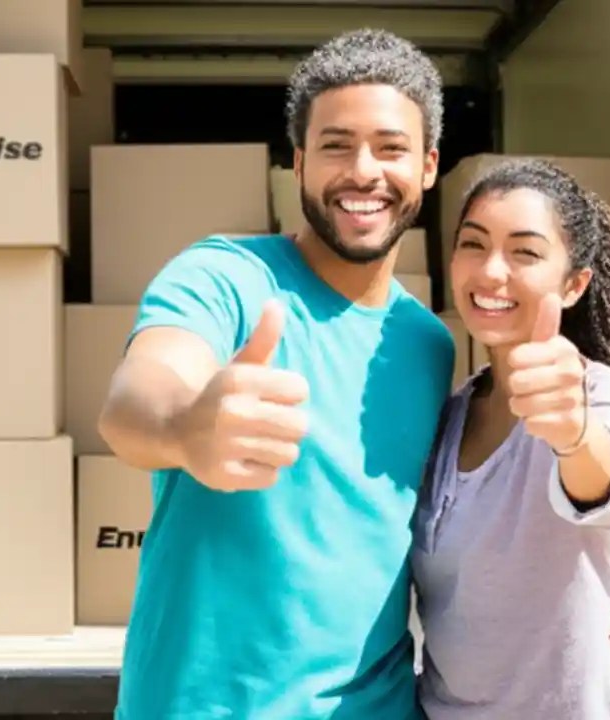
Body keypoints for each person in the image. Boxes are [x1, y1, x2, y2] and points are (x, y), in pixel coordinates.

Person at [97, 29, 456, 719]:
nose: (363, 170)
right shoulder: (224, 276)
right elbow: (134, 402)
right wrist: (181, 426)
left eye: (390, 147)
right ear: (297, 163)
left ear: (429, 165)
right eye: (334, 145)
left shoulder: (430, 344)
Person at [411, 158, 610, 719]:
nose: (492, 271)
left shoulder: (597, 395)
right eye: (474, 244)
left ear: (574, 285)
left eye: (525, 252)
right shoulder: (451, 417)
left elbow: (598, 476)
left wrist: (572, 433)